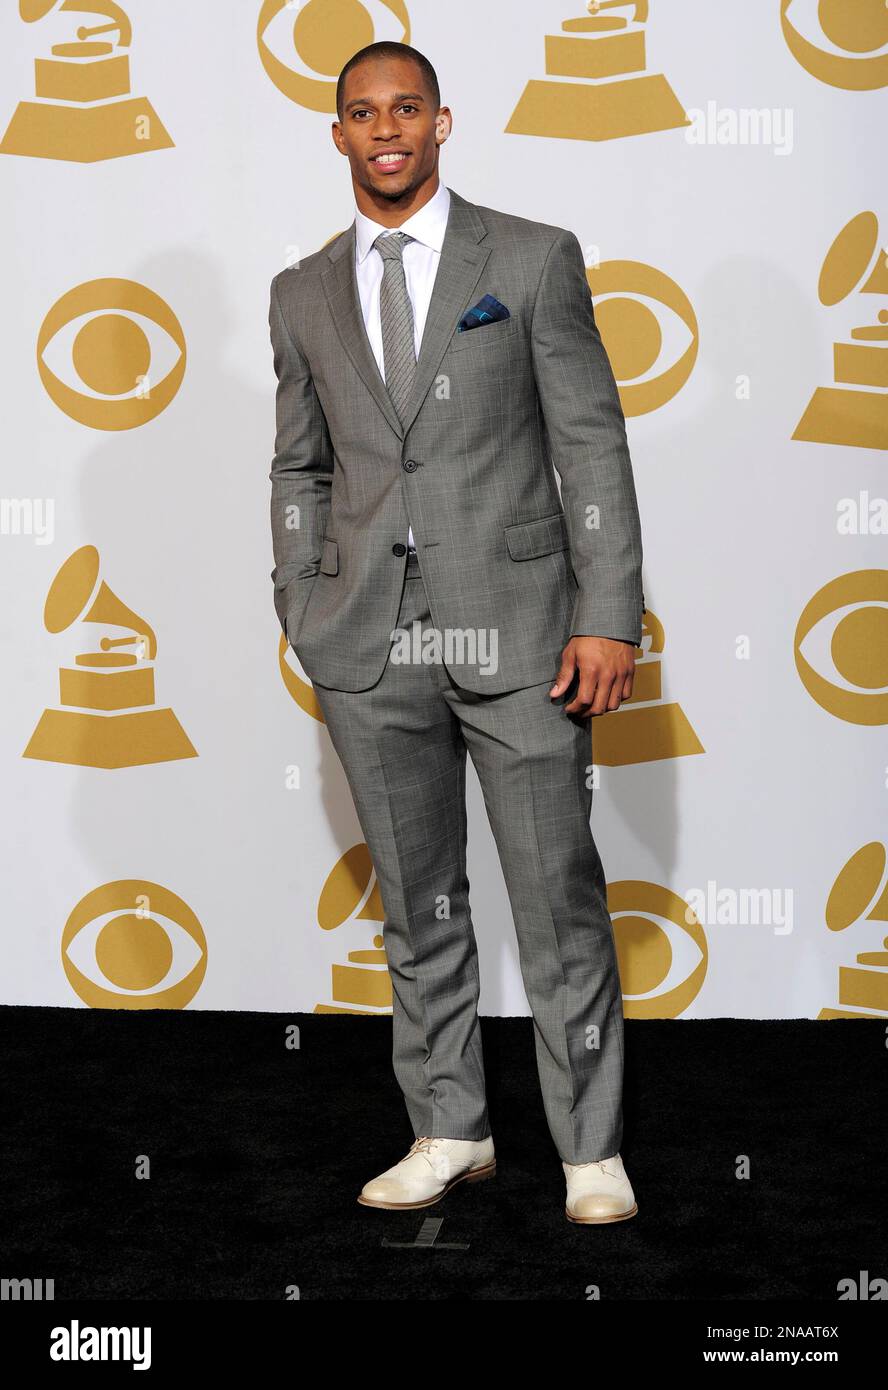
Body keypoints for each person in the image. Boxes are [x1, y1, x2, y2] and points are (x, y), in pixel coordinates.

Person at [268, 40, 645, 1224]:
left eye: (406, 109)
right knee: (417, 902)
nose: (385, 129)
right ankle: (449, 1126)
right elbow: (299, 463)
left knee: (557, 896)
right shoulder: (301, 290)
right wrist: (301, 597)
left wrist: (608, 616)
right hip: (369, 646)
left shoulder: (529, 260)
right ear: (337, 134)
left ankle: (588, 1150)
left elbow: (590, 445)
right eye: (361, 113)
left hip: (524, 636)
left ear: (443, 122)